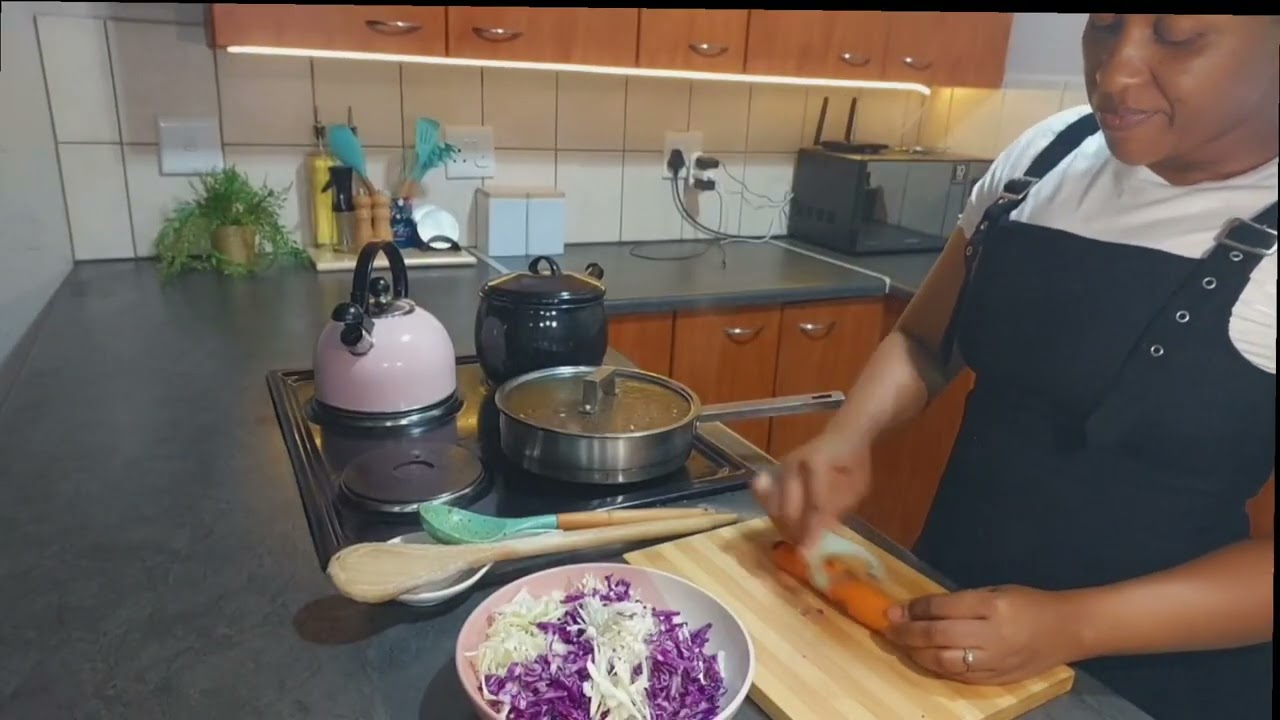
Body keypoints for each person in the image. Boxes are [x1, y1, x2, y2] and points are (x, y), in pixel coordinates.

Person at [753, 13, 1276, 720]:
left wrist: (1073, 624)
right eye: (1103, 26)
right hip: (936, 606)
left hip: (1151, 682)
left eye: (1177, 35)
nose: (1114, 72)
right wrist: (852, 433)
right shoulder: (1045, 155)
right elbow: (925, 342)